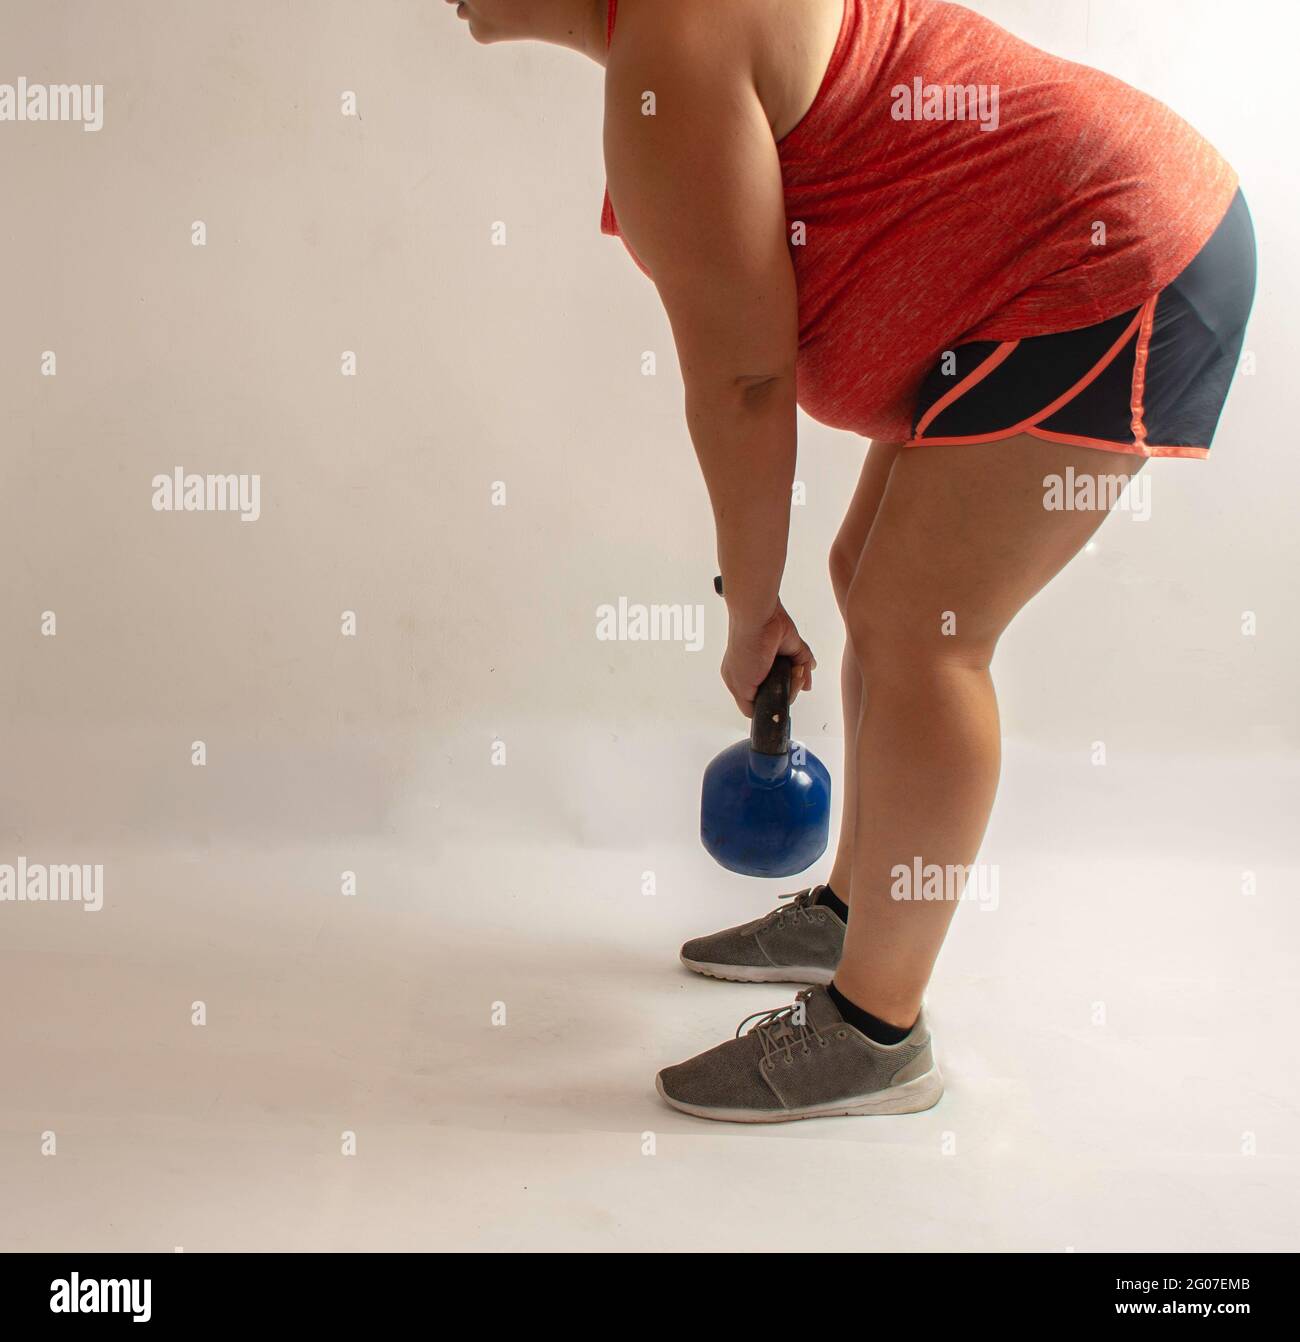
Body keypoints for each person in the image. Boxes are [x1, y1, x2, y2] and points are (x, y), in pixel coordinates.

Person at [448, 0, 1257, 1122]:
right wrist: (764, 594)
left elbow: (744, 382)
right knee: (870, 583)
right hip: (1026, 253)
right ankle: (852, 913)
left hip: (1110, 248)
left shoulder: (674, 53)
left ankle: (877, 1030)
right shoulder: (669, 47)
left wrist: (747, 616)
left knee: (926, 630)